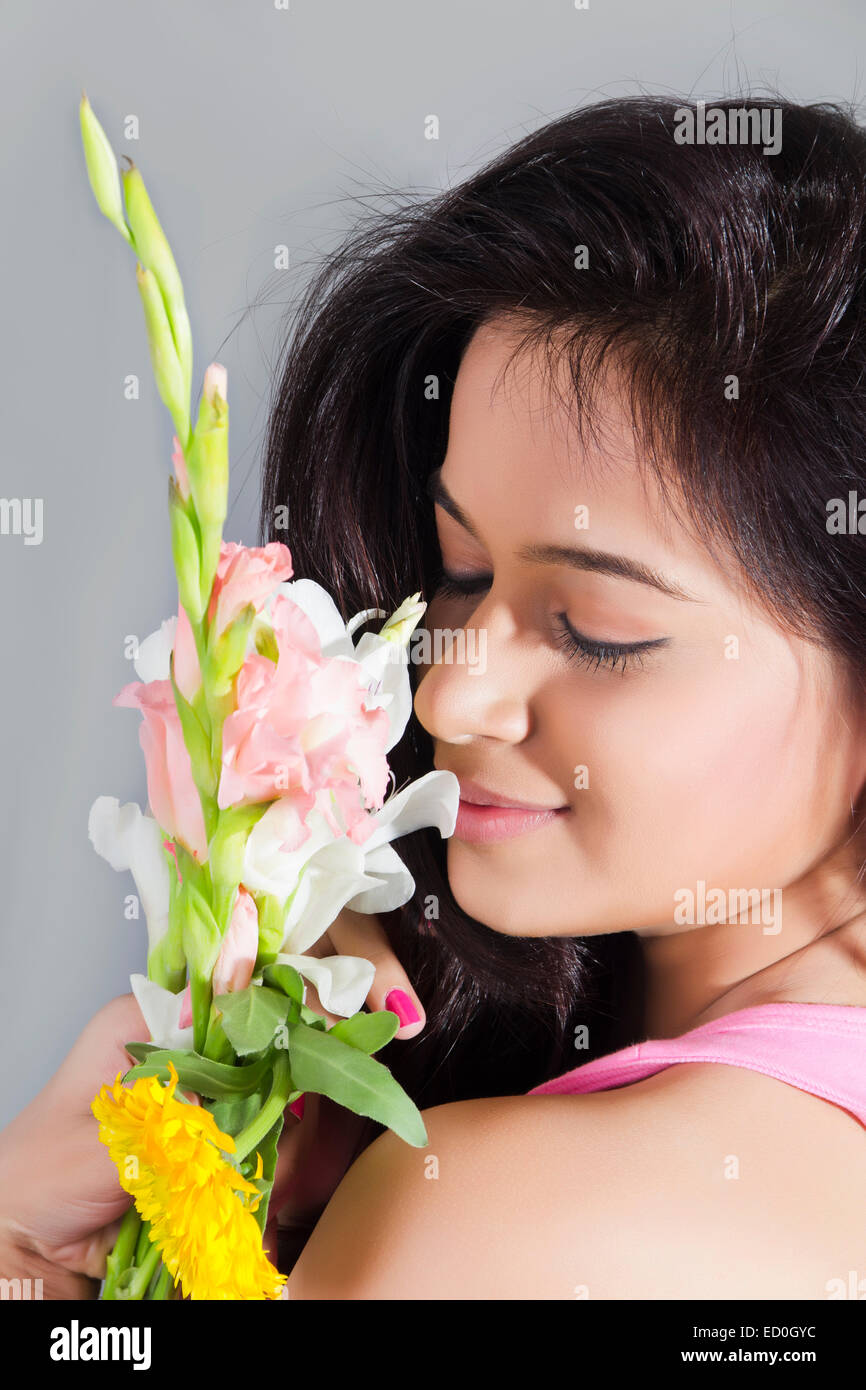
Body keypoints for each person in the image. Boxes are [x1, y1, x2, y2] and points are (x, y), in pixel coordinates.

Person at [2, 93, 866, 1300]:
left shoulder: (483, 1221)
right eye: (459, 570)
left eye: (596, 629)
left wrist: (20, 1242)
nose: (450, 697)